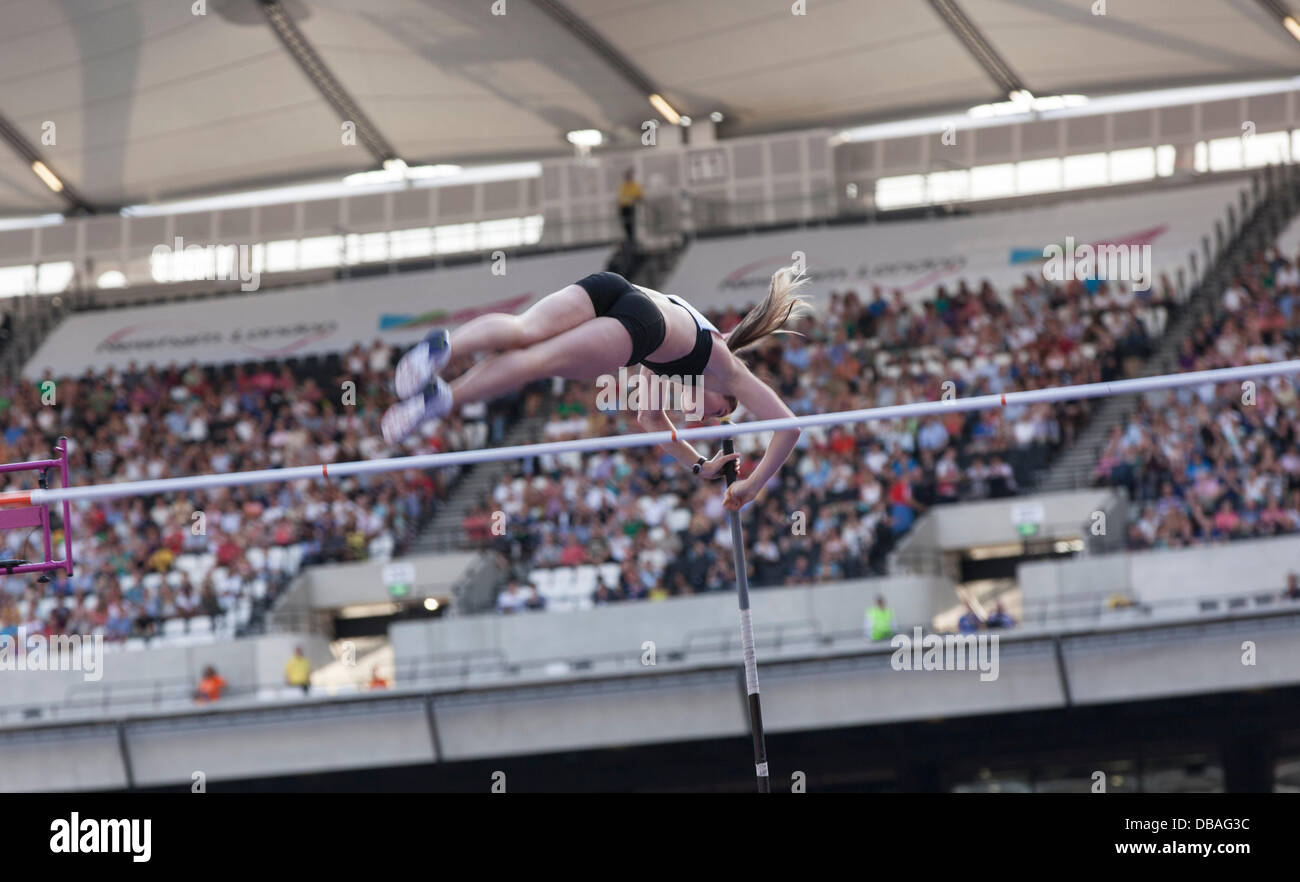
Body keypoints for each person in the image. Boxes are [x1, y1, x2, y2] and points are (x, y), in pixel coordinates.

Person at [382, 266, 812, 511]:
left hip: (613, 288)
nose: (706, 417)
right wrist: (751, 486)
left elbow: (650, 419)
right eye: (720, 413)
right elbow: (789, 427)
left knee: (524, 329)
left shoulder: (670, 371)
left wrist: (699, 466)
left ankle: (444, 347)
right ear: (727, 398)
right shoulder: (726, 371)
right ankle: (446, 399)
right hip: (643, 323)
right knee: (538, 361)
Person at [617, 169, 643, 243]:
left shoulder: (635, 186)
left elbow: (639, 196)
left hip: (631, 207)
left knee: (631, 224)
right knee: (625, 224)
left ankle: (632, 239)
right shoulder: (623, 186)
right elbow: (621, 198)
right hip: (623, 208)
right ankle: (629, 239)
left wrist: (635, 199)